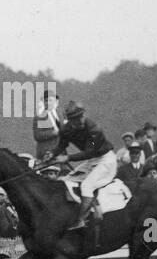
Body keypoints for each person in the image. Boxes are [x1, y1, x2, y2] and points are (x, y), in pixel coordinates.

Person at [45, 101, 118, 237]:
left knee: (87, 186)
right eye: (75, 119)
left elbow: (89, 152)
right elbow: (62, 145)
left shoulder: (95, 130)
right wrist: (52, 153)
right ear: (69, 120)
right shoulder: (66, 129)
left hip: (106, 160)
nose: (80, 121)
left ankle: (81, 220)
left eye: (81, 116)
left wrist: (67, 158)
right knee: (66, 180)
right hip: (92, 161)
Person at [33, 91, 64, 158]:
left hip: (60, 152)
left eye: (50, 100)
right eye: (46, 101)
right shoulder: (39, 117)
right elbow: (37, 135)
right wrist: (53, 133)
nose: (48, 103)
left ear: (56, 101)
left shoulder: (60, 115)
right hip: (46, 153)